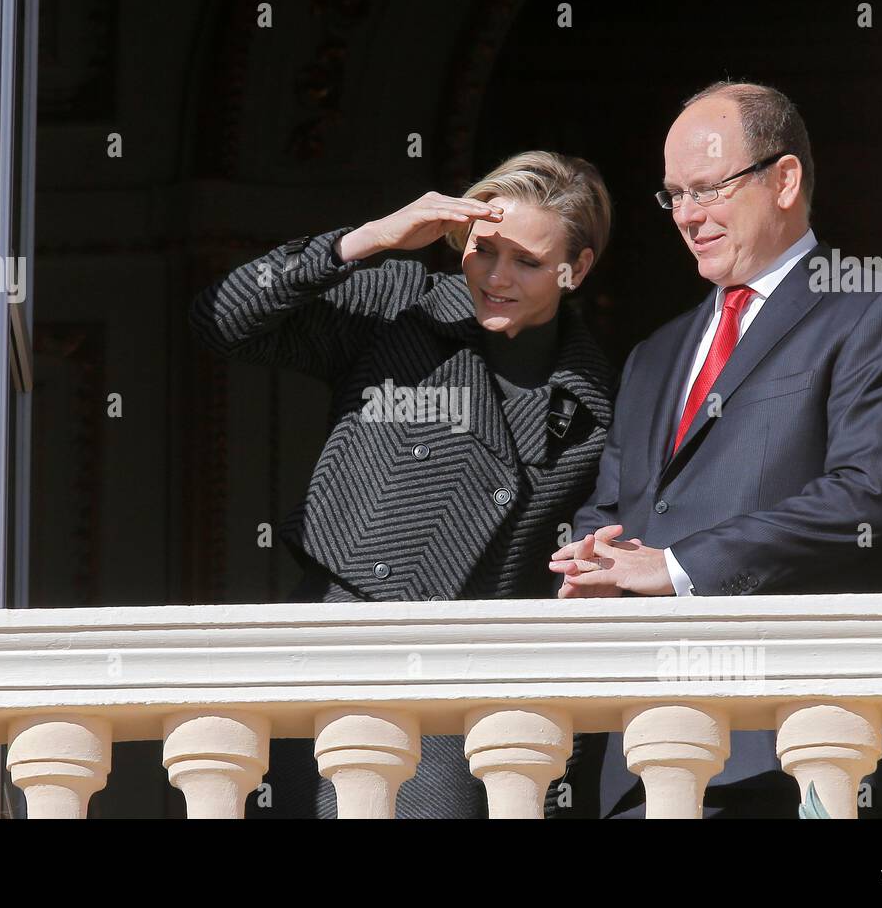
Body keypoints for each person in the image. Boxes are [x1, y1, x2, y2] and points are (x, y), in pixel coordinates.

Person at [550, 82, 882, 818]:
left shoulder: (874, 312)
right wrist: (591, 557)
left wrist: (676, 567)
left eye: (708, 189)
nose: (688, 217)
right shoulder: (655, 355)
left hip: (790, 748)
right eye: (673, 197)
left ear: (784, 180)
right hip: (646, 758)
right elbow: (614, 506)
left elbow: (863, 497)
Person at [191, 150, 614, 818]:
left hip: (462, 678)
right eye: (483, 251)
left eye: (527, 262)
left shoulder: (595, 401)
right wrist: (370, 238)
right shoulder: (399, 304)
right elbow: (220, 317)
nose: (497, 278)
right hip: (328, 643)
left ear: (576, 267)